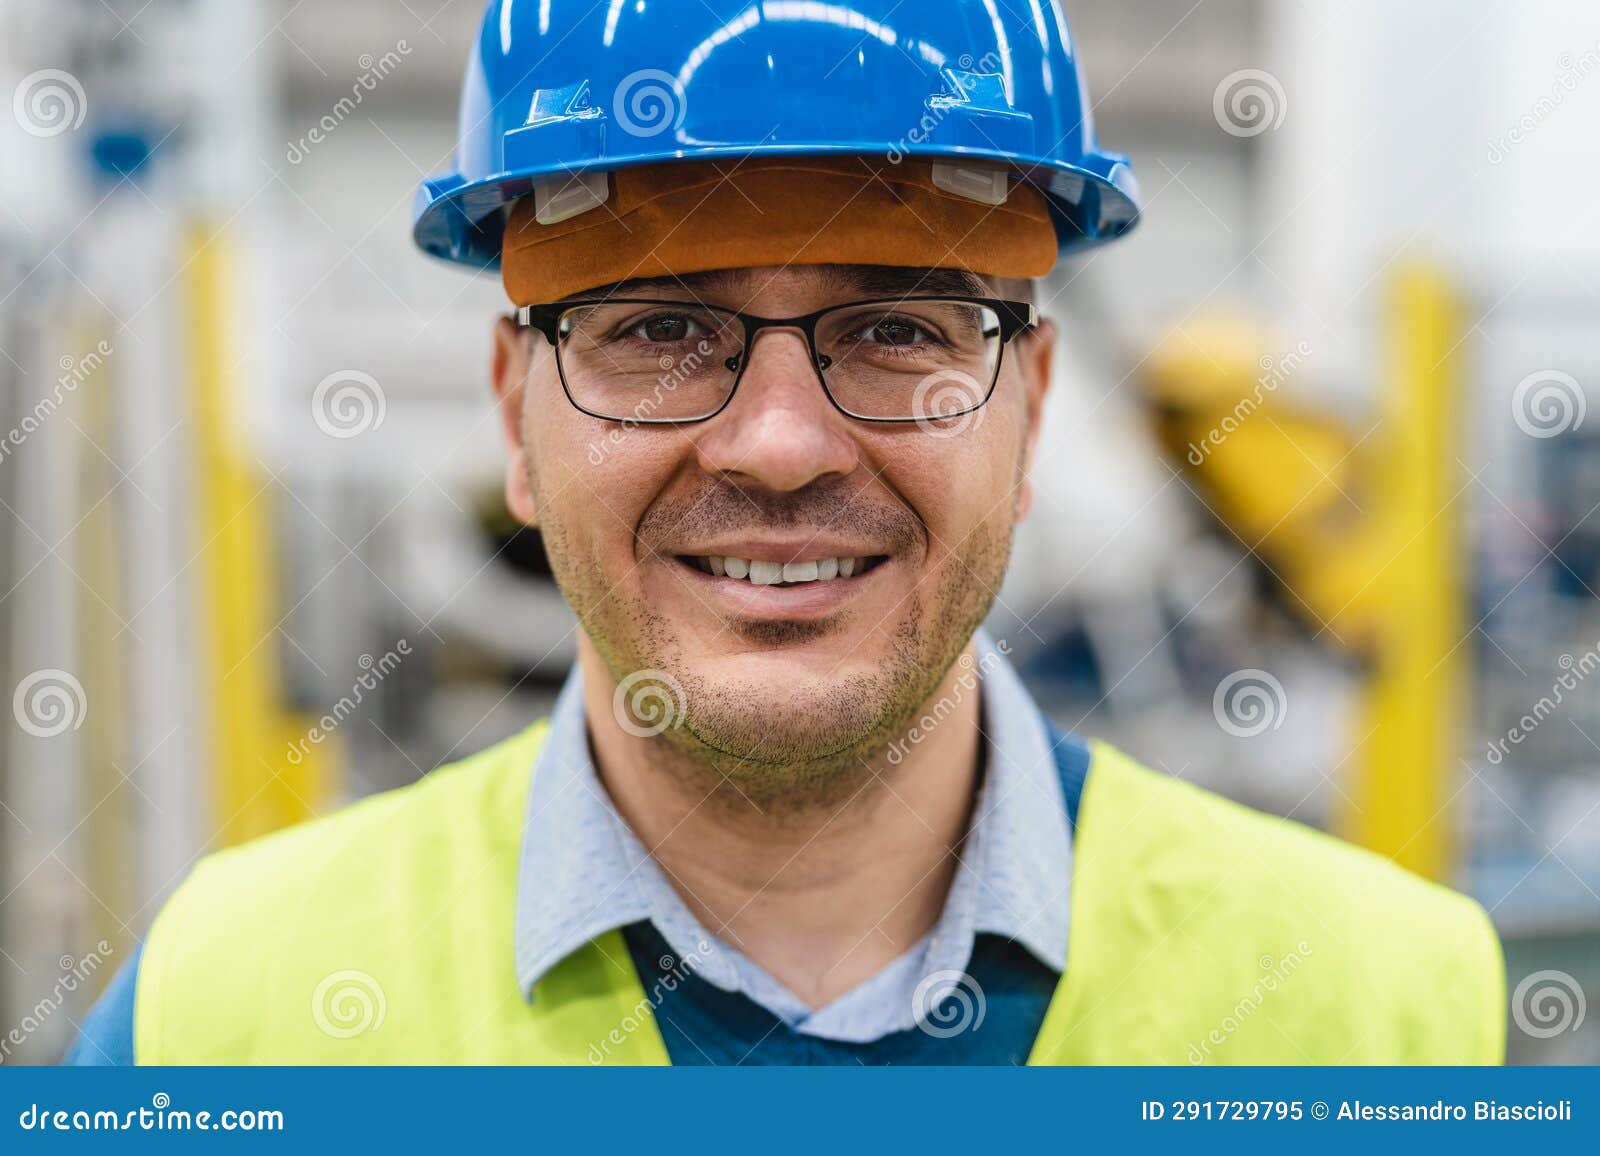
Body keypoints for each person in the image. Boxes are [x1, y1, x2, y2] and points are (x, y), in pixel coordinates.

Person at [68, 0, 1503, 1065]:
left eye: (895, 330)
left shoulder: (1381, 1018)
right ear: (517, 419)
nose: (778, 445)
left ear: (1030, 410)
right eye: (658, 330)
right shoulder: (227, 1016)